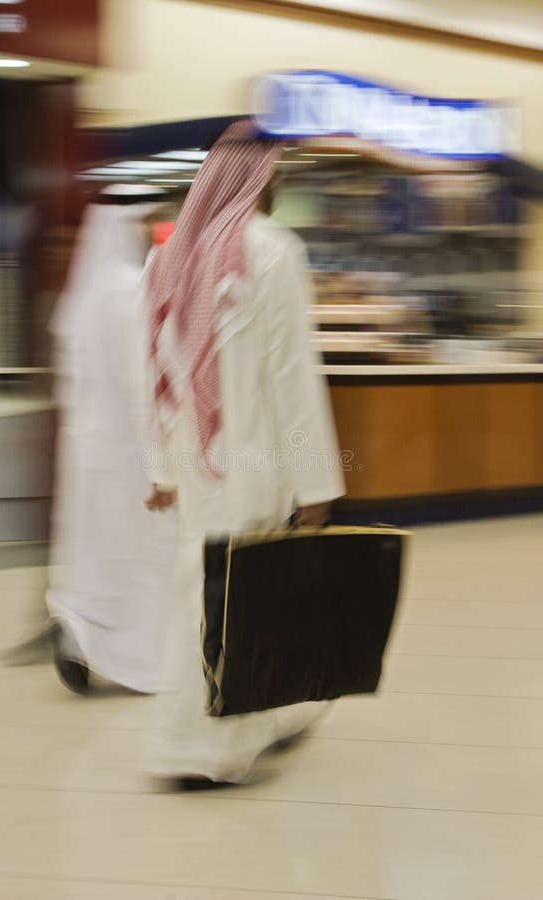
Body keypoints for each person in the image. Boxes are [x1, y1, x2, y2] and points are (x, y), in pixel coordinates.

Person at [145, 122, 345, 788]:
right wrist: (315, 482)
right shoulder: (272, 251)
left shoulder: (168, 257)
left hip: (195, 462)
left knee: (199, 587)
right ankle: (213, 747)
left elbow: (157, 375)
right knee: (246, 593)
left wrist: (162, 467)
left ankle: (208, 732)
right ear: (263, 179)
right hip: (253, 461)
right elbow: (292, 379)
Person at [46, 184, 179, 694]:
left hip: (87, 451)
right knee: (141, 554)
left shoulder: (83, 294)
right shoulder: (130, 288)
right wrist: (161, 455)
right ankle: (134, 652)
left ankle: (78, 629)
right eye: (146, 221)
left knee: (94, 552)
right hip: (131, 450)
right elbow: (144, 381)